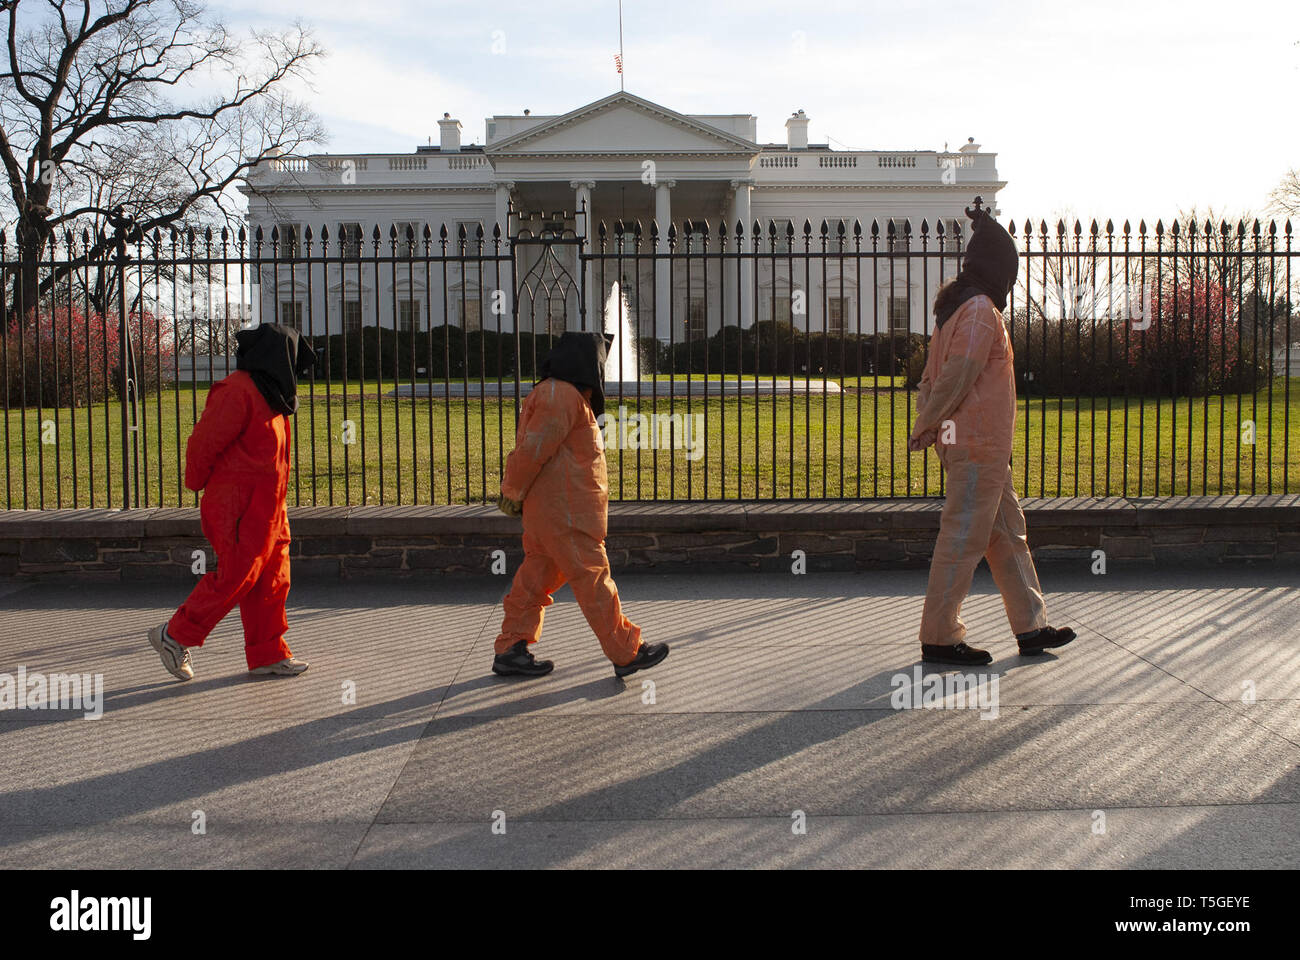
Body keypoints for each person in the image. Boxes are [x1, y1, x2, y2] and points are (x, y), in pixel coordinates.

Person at [907, 204, 1076, 665]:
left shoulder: (955, 309)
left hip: (979, 447)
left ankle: (1031, 627)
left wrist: (931, 425)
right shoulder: (981, 311)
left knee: (1006, 536)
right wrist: (926, 426)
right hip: (979, 445)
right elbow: (958, 374)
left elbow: (929, 379)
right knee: (962, 538)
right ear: (999, 269)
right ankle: (939, 637)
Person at [493, 331, 668, 680]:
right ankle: (626, 652)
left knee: (536, 578)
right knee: (593, 580)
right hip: (567, 514)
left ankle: (511, 648)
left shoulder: (558, 393)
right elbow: (533, 449)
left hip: (553, 511)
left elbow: (537, 450)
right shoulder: (561, 396)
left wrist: (517, 493)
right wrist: (511, 491)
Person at [147, 322, 316, 681]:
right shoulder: (237, 391)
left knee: (273, 580)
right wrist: (195, 483)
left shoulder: (274, 394)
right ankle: (174, 635)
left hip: (269, 507)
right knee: (237, 576)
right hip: (239, 507)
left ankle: (267, 654)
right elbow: (203, 443)